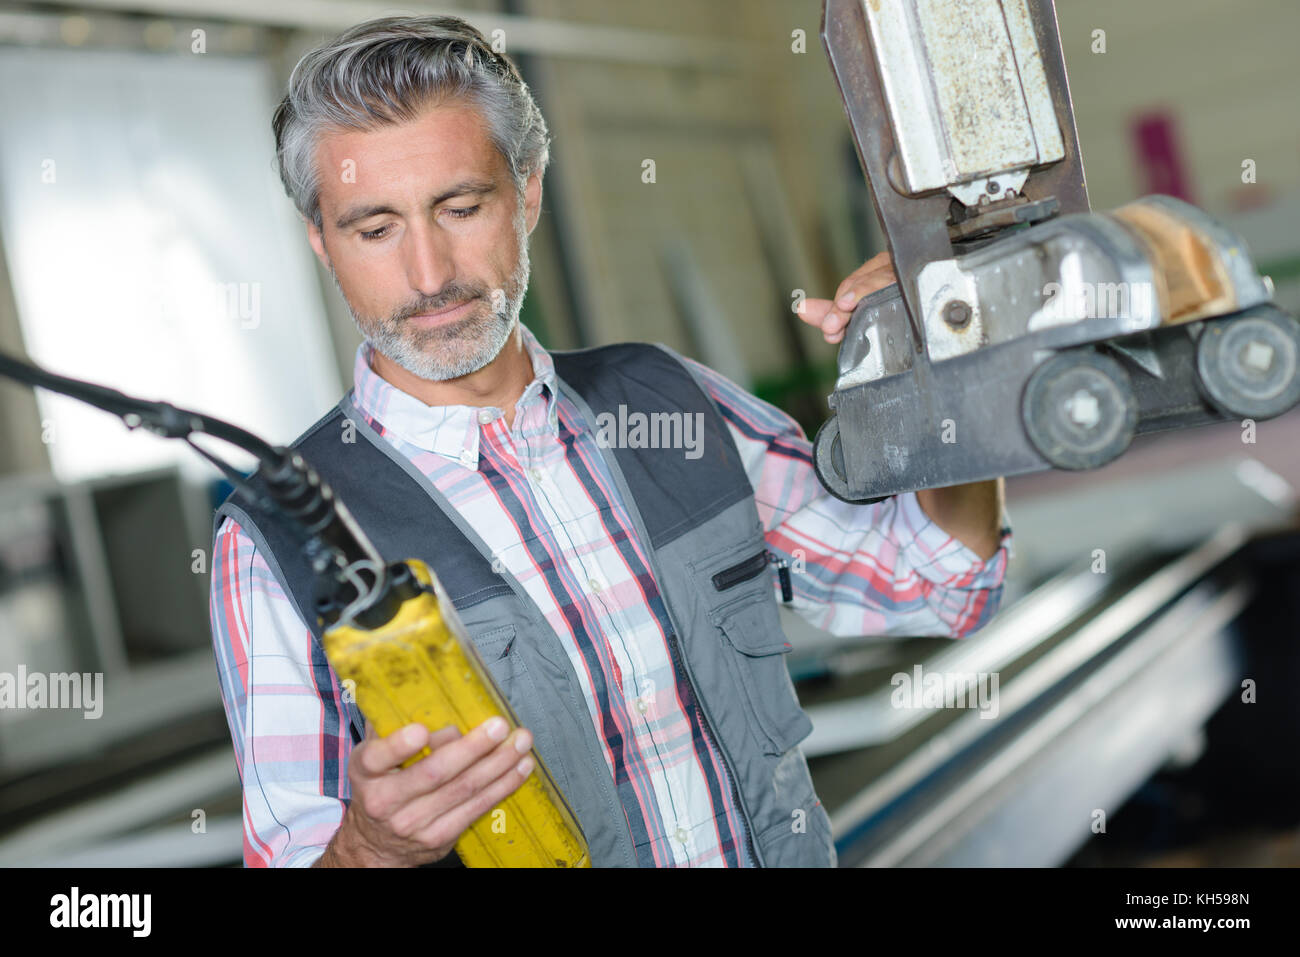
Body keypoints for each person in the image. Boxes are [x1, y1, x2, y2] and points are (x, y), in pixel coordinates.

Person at [208, 14, 1012, 868]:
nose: (431, 274)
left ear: (527, 191)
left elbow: (946, 582)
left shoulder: (671, 403)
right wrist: (368, 847)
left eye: (461, 206)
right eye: (376, 229)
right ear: (321, 240)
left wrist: (939, 365)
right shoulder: (276, 544)